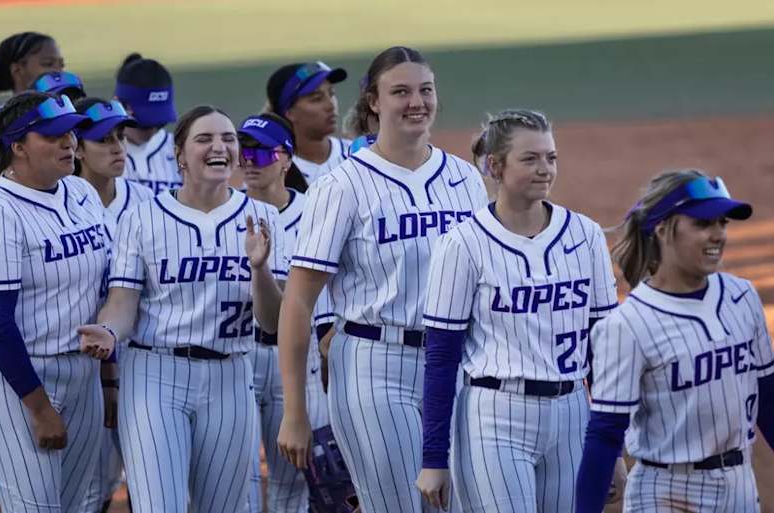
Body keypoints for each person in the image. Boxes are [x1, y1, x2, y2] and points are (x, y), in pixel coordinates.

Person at [276, 46, 488, 513]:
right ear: (374, 102)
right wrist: (296, 410)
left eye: (425, 90)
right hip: (376, 366)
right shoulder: (343, 186)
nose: (417, 102)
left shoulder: (464, 179)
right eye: (401, 92)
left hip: (455, 362)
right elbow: (298, 300)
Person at [575, 170, 774, 513]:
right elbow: (605, 434)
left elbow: (769, 399)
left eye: (722, 223)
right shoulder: (628, 325)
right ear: (663, 229)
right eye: (703, 224)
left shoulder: (742, 297)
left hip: (739, 486)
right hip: (666, 493)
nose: (718, 235)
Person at [79, 105, 286, 513]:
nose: (220, 147)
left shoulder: (262, 218)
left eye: (228, 139)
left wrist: (260, 269)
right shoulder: (143, 218)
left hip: (231, 375)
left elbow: (273, 321)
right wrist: (108, 331)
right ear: (180, 155)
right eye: (204, 139)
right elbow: (123, 302)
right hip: (156, 375)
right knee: (159, 504)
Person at [415, 109, 619, 512]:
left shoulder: (585, 235)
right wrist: (434, 458)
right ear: (494, 165)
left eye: (551, 157)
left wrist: (610, 445)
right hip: (496, 418)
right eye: (531, 159)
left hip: (572, 412)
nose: (545, 169)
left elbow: (604, 350)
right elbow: (441, 357)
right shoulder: (463, 243)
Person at [0, 91, 109, 513]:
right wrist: (40, 408)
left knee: (73, 505)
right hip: (16, 380)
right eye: (54, 135)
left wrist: (108, 382)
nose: (70, 143)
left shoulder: (81, 193)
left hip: (82, 374)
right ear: (17, 146)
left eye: (72, 133)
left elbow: (104, 287)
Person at [237, 112, 331, 512]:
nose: (249, 161)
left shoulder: (314, 214)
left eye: (261, 153)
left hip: (293, 358)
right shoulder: (223, 211)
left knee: (292, 478)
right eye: (244, 151)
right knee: (234, 477)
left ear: (287, 160)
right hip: (237, 357)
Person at [73, 97, 154, 513]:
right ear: (77, 147)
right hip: (80, 364)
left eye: (120, 137)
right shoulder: (61, 204)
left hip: (140, 361)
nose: (118, 147)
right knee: (92, 485)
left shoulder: (146, 203)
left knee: (151, 480)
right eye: (103, 139)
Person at [0, 31, 64, 204]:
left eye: (61, 65)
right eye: (48, 64)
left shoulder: (66, 123)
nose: (58, 72)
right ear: (18, 70)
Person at [267, 61, 350, 184]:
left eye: (332, 94)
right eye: (316, 98)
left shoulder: (359, 153)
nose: (331, 105)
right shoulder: (270, 171)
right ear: (289, 112)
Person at [114, 53, 182, 193]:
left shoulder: (182, 150)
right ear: (118, 103)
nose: (151, 129)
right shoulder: (96, 153)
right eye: (144, 122)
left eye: (160, 122)